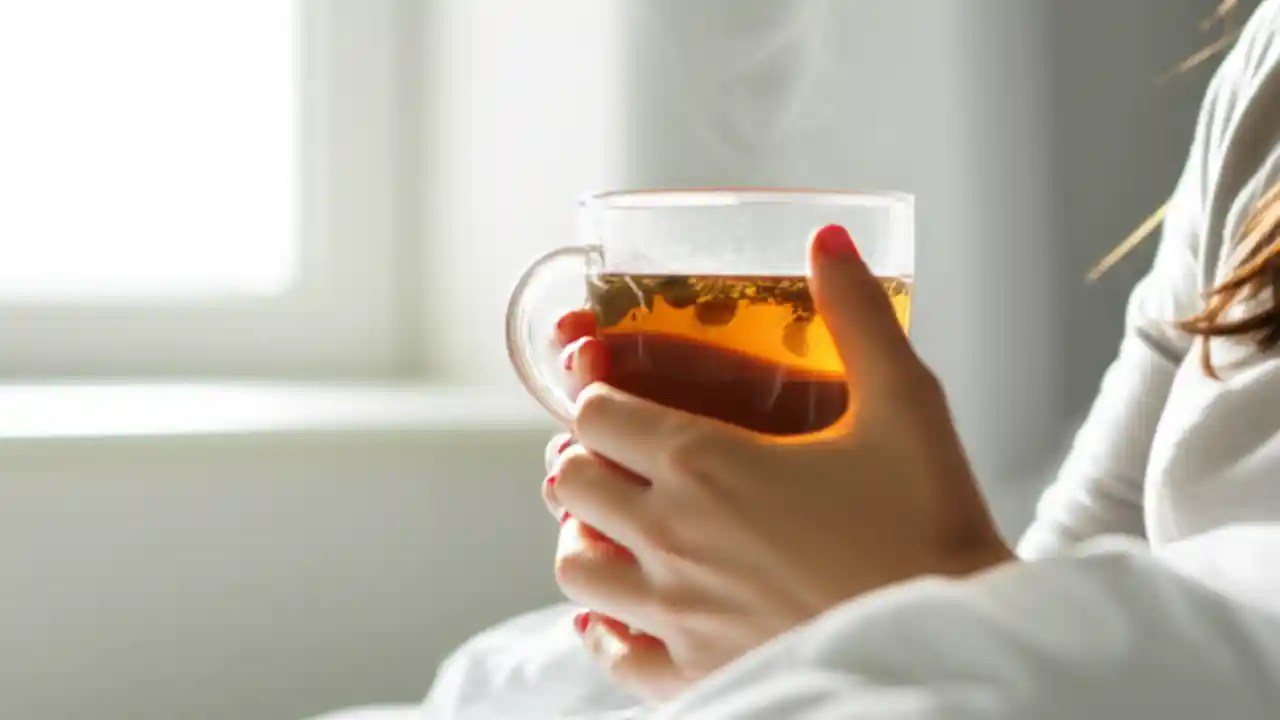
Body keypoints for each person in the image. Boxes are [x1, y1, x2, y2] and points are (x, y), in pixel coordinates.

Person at [411, 2, 1280, 717]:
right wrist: (839, 622)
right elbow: (1062, 582)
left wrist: (911, 605)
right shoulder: (1264, 79)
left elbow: (1025, 630)